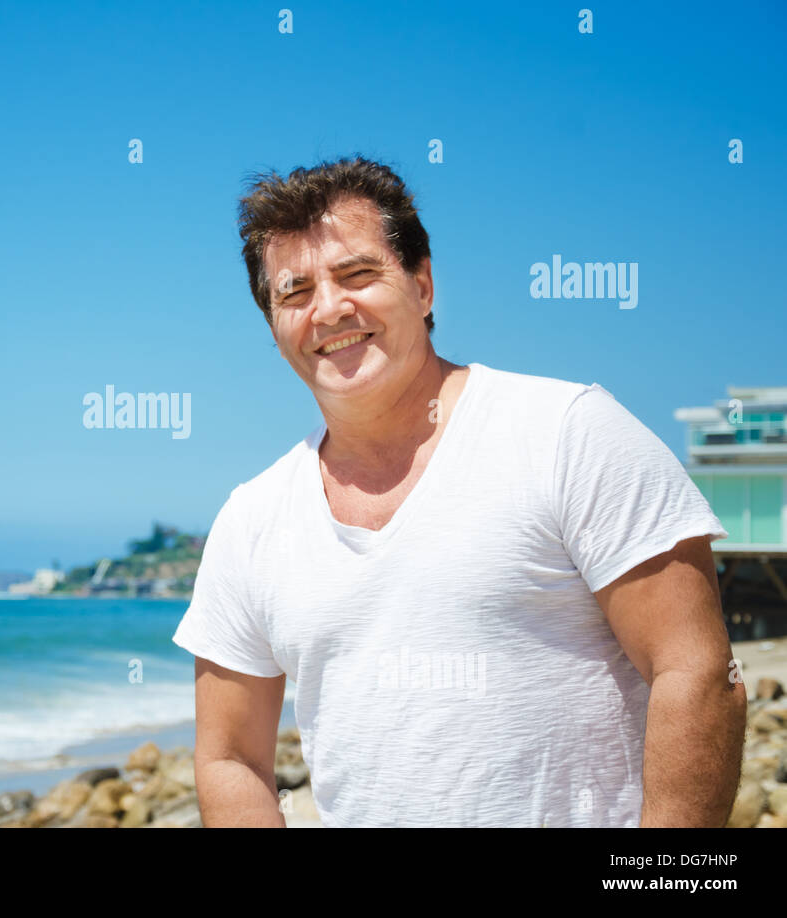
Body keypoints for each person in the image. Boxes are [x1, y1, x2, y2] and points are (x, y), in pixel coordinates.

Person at [171, 155, 746, 827]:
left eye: (358, 274)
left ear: (422, 285)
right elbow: (231, 759)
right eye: (295, 293)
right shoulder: (251, 519)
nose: (328, 309)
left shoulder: (568, 432)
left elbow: (697, 672)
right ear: (274, 329)